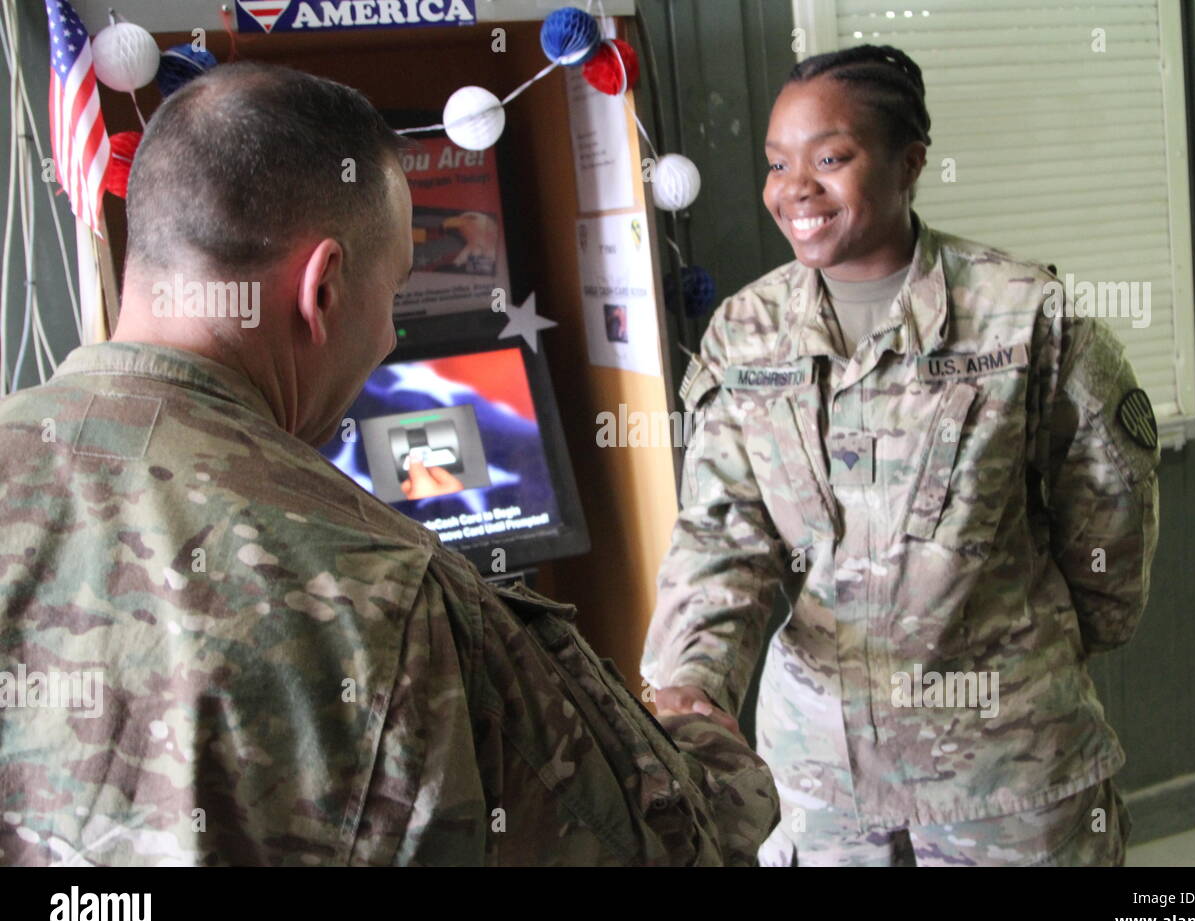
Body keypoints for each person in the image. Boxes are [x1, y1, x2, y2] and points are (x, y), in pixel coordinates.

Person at [0, 62, 777, 866]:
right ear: (325, 287)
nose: (386, 340)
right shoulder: (397, 598)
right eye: (394, 294)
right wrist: (709, 749)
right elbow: (666, 849)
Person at [643, 44, 1159, 866]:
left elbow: (1109, 529)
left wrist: (1037, 656)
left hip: (1005, 773)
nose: (794, 188)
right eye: (777, 162)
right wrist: (694, 682)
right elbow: (721, 532)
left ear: (910, 161)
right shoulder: (748, 333)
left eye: (832, 158)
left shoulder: (1025, 317)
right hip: (817, 782)